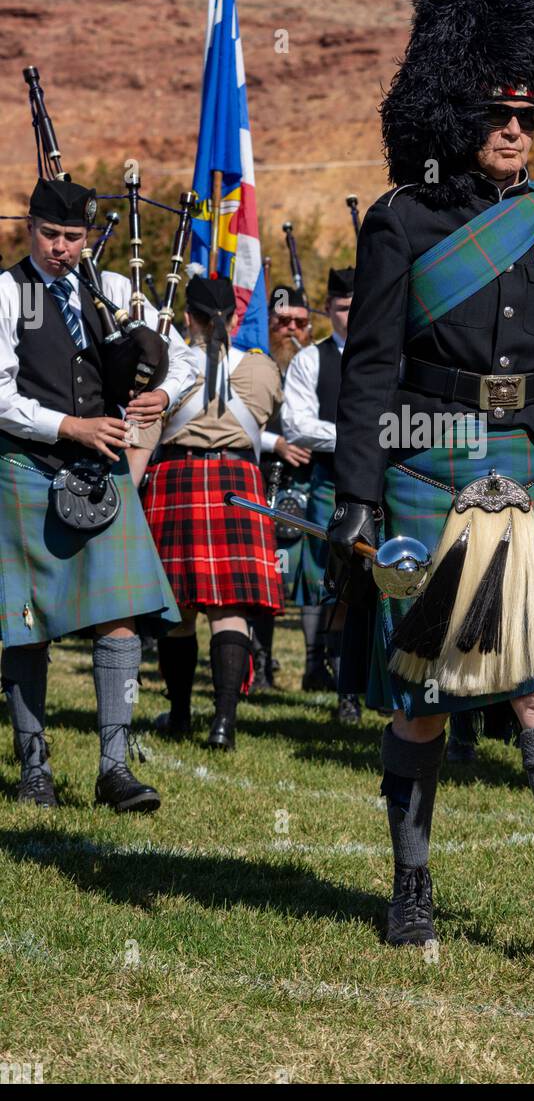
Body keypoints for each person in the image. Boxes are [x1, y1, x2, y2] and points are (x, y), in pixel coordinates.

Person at [327, 0, 534, 966]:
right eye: (497, 113)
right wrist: (360, 497)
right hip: (428, 468)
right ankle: (411, 890)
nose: (515, 131)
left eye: (528, 114)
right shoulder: (401, 225)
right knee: (423, 699)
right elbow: (368, 370)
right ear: (452, 112)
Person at [0, 177, 194, 809]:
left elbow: (183, 356)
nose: (62, 249)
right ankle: (34, 770)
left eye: (74, 238)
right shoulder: (8, 293)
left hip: (101, 475)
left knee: (119, 615)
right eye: (51, 235)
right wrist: (70, 425)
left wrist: (162, 393)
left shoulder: (110, 290)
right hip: (28, 465)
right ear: (30, 228)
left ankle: (115, 766)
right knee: (27, 624)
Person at [140, 275, 284, 750]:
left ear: (187, 318)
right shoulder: (262, 371)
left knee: (178, 608)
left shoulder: (166, 363)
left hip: (176, 480)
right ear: (237, 318)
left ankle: (181, 714)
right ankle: (224, 723)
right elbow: (265, 420)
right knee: (230, 610)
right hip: (238, 484)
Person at [281, 266, 362, 724]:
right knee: (334, 589)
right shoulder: (310, 360)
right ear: (328, 310)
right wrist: (360, 437)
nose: (351, 315)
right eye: (343, 308)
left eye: (357, 306)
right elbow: (297, 426)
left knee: (383, 586)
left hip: (385, 482)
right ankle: (342, 690)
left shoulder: (389, 356)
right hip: (331, 483)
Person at [249, 285, 313, 691]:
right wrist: (277, 444)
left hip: (314, 479)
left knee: (313, 577)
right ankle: (260, 665)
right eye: (282, 321)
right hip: (263, 476)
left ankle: (317, 666)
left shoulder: (318, 362)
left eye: (300, 323)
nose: (291, 329)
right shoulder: (255, 364)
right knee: (264, 578)